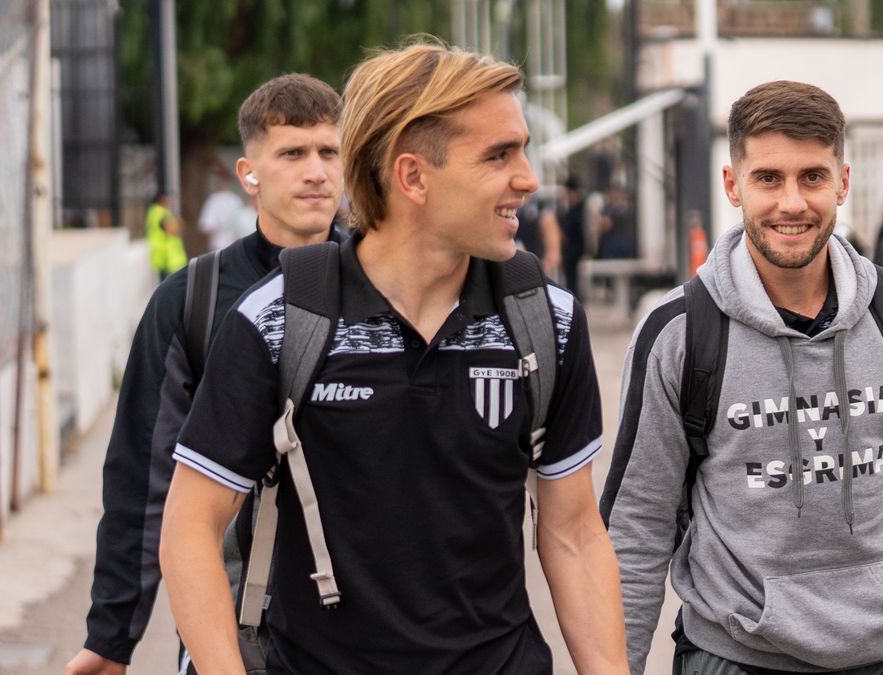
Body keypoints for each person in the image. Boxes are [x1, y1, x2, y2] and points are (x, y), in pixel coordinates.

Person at [159, 41, 628, 674]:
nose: (529, 178)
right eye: (498, 155)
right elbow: (190, 530)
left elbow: (572, 533)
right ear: (412, 177)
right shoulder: (280, 319)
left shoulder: (547, 319)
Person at [600, 80, 883, 675]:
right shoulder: (679, 333)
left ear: (842, 181)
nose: (792, 202)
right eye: (768, 178)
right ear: (732, 184)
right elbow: (638, 526)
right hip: (734, 656)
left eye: (812, 177)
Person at [65, 73, 345, 675]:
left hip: (376, 630)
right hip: (240, 630)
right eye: (292, 153)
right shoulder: (192, 299)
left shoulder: (387, 288)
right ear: (249, 174)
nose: (316, 171)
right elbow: (143, 473)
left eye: (330, 151)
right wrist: (112, 635)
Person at [197, 167, 246, 251]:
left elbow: (208, 226)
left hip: (218, 246)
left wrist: (209, 246)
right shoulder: (236, 200)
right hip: (235, 245)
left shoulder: (214, 200)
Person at [146, 192, 188, 281]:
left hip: (163, 256)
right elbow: (173, 230)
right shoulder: (161, 213)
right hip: (167, 257)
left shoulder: (154, 212)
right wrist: (179, 222)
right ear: (161, 200)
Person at [560, 175, 588, 300]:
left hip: (576, 250)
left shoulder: (580, 209)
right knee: (570, 280)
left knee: (575, 281)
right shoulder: (571, 209)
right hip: (570, 251)